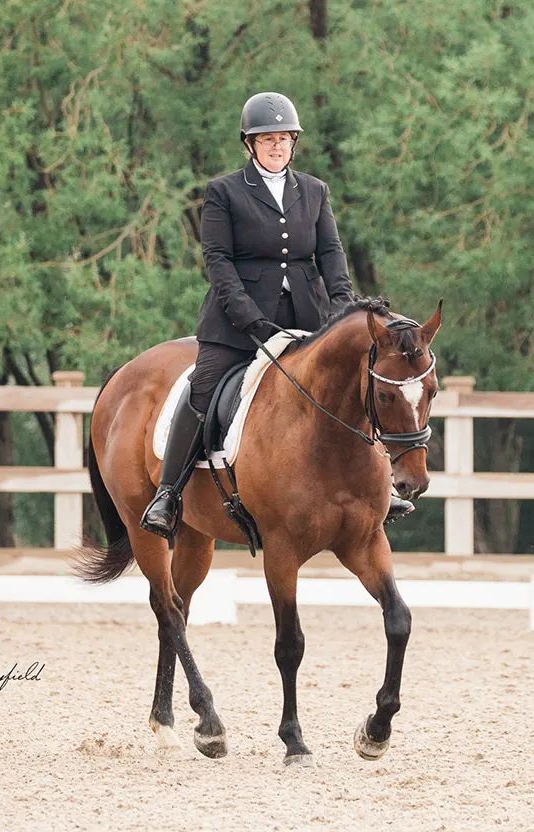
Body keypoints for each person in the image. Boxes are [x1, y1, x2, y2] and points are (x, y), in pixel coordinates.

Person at [139, 91, 415, 540]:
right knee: (202, 387)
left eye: (284, 139)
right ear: (250, 144)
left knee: (357, 387)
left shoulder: (314, 191)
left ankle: (381, 485)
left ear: (294, 143)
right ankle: (168, 493)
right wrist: (247, 316)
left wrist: (344, 309)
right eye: (268, 139)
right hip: (236, 323)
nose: (277, 146)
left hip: (308, 318)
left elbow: (331, 253)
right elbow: (218, 261)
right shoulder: (224, 192)